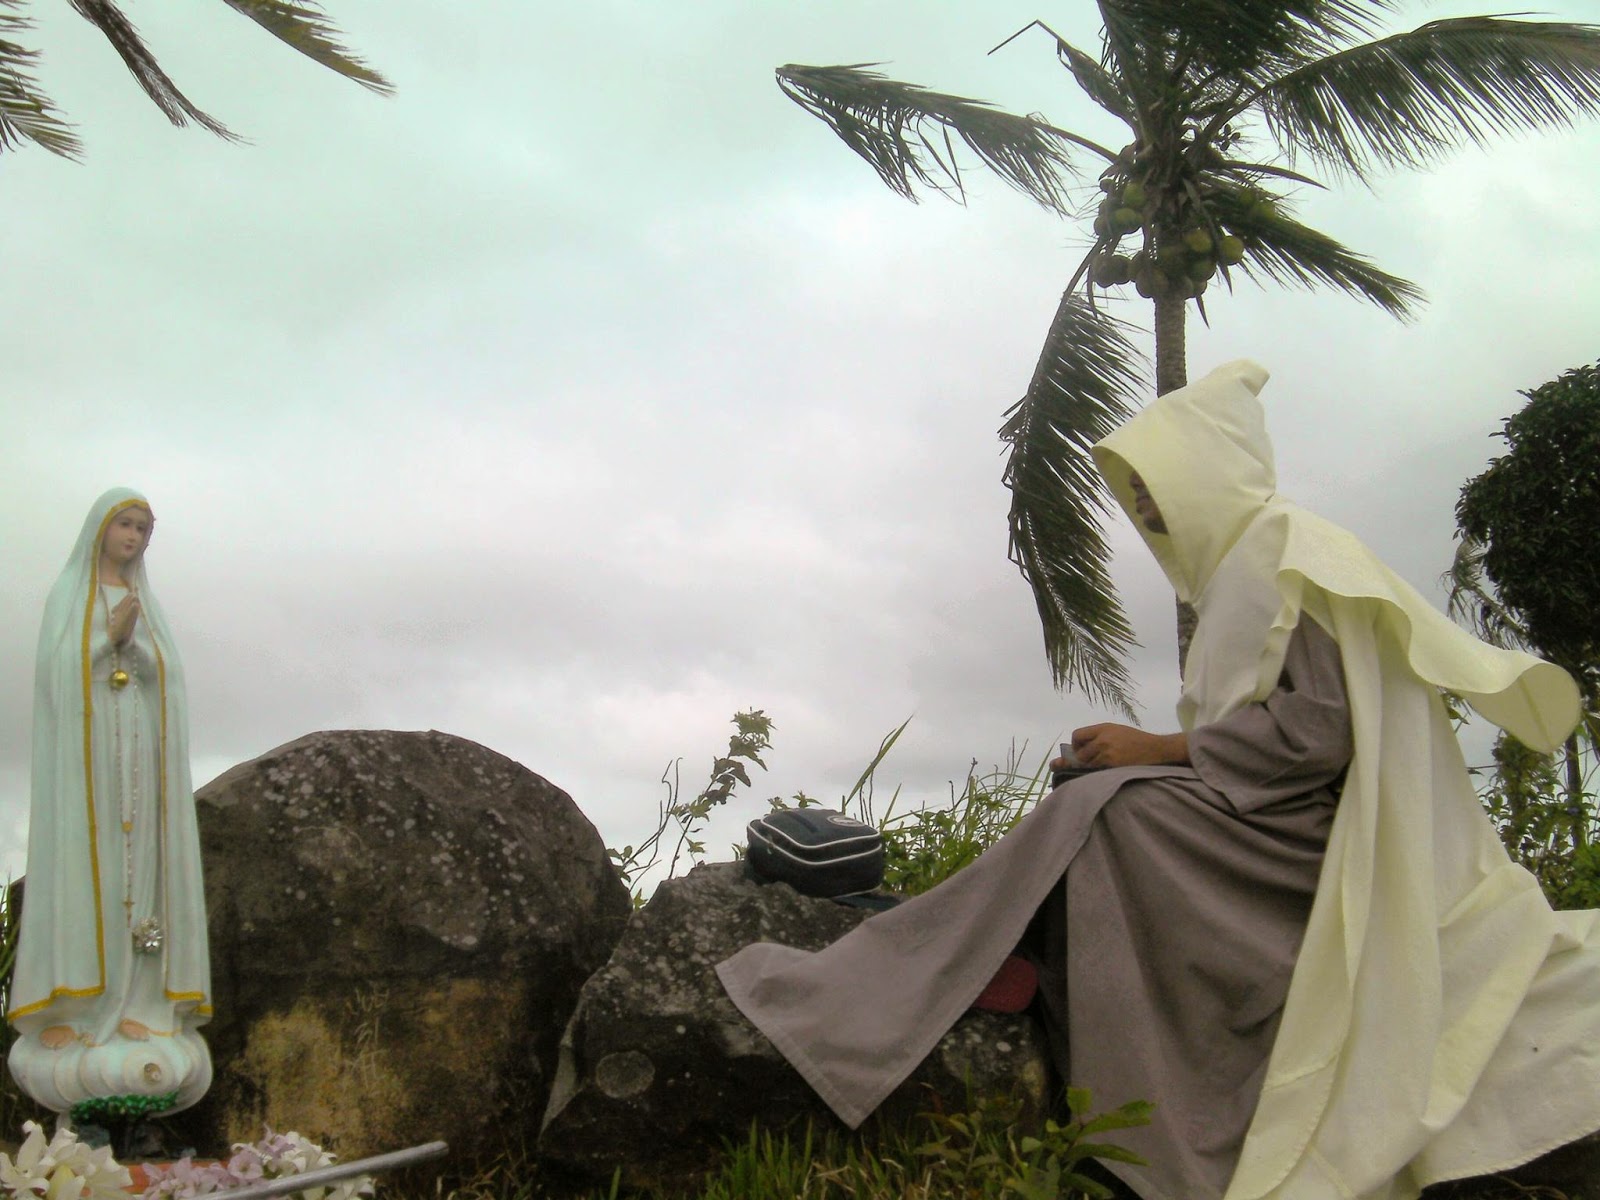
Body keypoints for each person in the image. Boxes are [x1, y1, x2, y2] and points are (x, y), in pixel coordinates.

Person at [717, 361, 1599, 1200]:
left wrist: (1164, 751)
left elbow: (1322, 731)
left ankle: (1032, 1003)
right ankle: (1010, 961)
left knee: (1117, 811)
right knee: (1096, 798)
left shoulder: (1291, 552)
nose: (1142, 503)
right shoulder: (1236, 580)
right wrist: (1151, 755)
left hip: (1316, 853)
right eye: (1134, 488)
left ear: (1211, 471)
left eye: (1158, 480)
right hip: (1262, 821)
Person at [6, 487, 212, 1116]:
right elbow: (54, 674)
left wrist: (138, 648)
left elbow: (167, 676)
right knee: (90, 876)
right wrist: (104, 644)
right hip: (89, 761)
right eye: (126, 524)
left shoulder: (145, 603)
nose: (135, 537)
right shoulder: (72, 595)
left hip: (138, 756)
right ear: (99, 528)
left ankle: (139, 1006)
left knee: (141, 876)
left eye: (145, 529)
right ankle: (84, 1008)